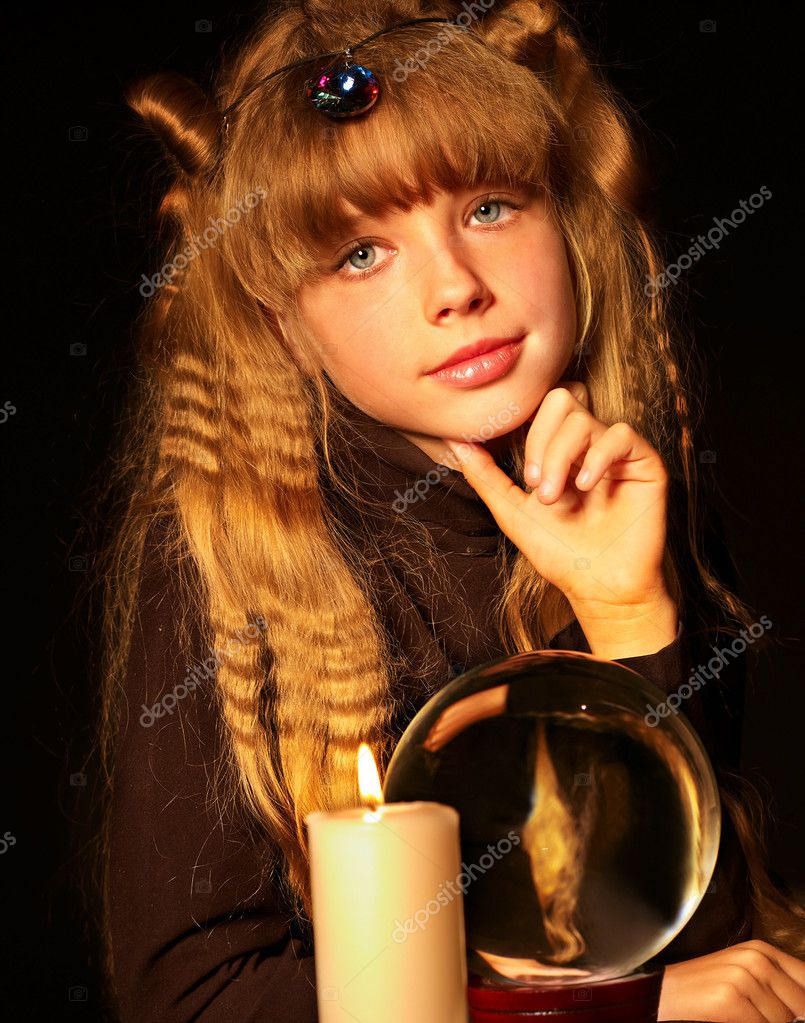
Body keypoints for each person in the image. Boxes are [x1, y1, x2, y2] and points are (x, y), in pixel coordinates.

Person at [83, 1, 805, 1020]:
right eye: (360, 255)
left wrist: (631, 619)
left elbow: (712, 960)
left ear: (568, 218)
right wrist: (596, 1015)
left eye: (490, 208)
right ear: (284, 327)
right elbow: (190, 996)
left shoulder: (632, 490)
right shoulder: (222, 557)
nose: (454, 288)